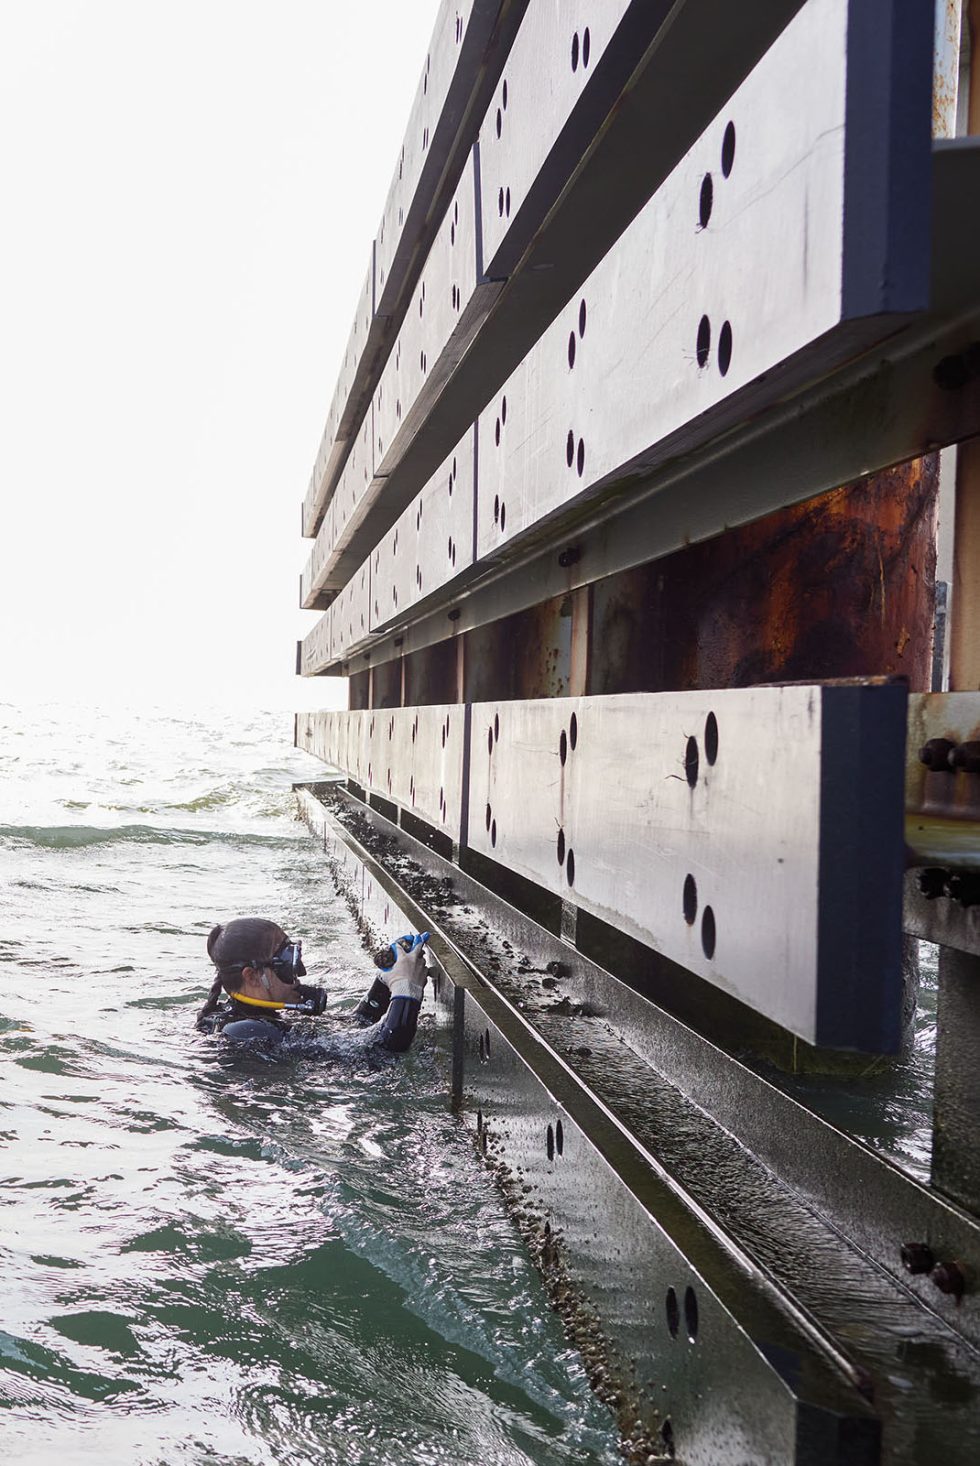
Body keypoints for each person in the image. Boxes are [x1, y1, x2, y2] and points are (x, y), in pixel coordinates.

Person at [196, 917, 428, 1053]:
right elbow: (380, 1050)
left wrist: (387, 978)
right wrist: (405, 988)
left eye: (296, 956)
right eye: (287, 962)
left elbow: (358, 1027)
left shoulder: (261, 1016)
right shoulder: (251, 1031)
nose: (300, 974)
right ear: (253, 976)